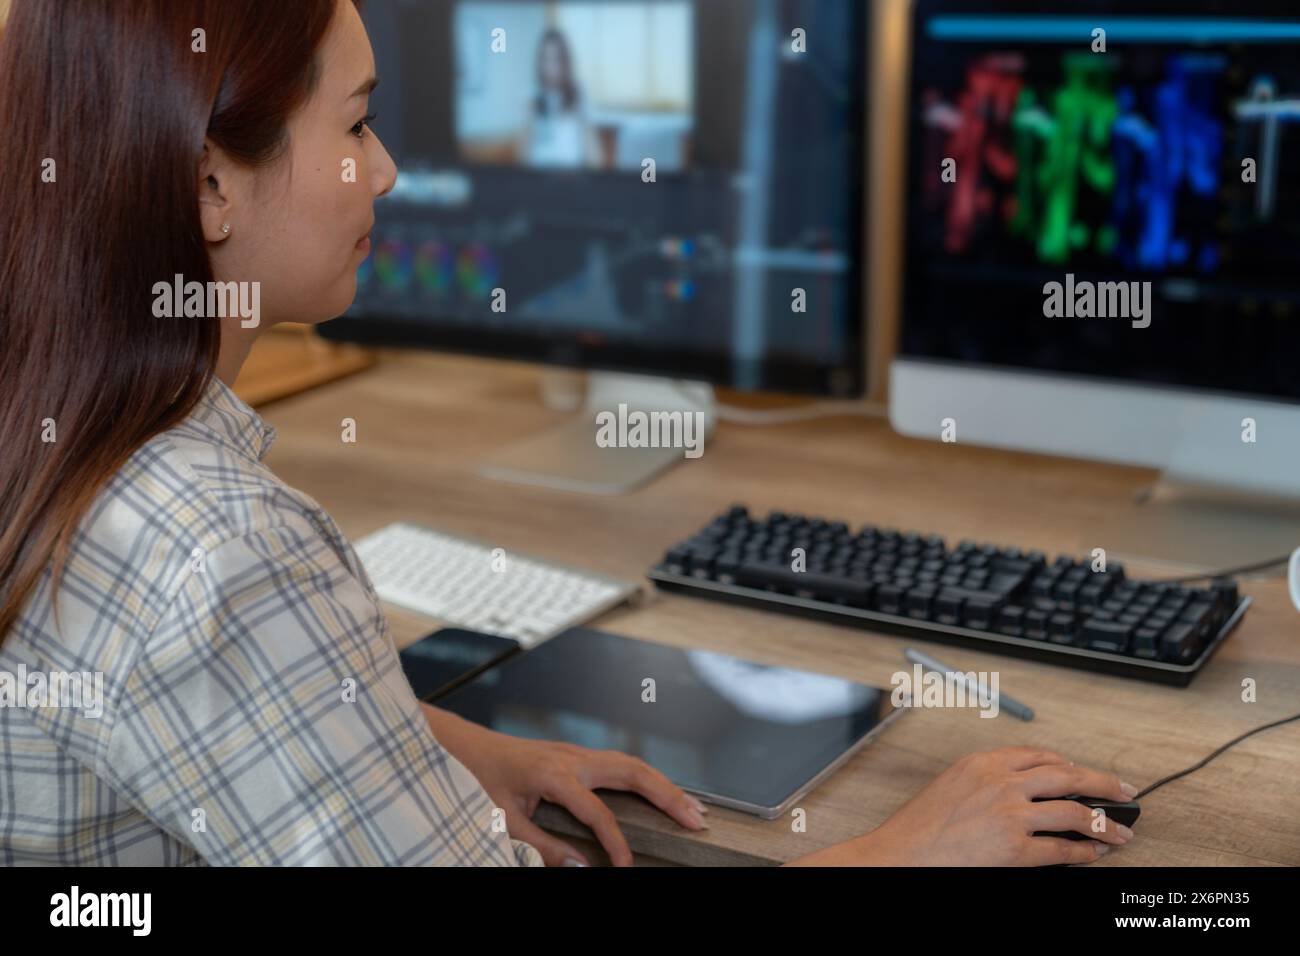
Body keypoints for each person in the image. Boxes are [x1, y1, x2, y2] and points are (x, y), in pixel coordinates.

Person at [0, 0, 1136, 866]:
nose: (388, 168)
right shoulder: (225, 546)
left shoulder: (61, 438)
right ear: (209, 185)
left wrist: (411, 737)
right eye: (355, 125)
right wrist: (902, 848)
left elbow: (200, 712)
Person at [518, 28, 602, 169]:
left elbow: (594, 153)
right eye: (545, 59)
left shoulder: (578, 94)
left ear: (565, 62)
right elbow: (523, 156)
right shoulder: (532, 97)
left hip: (571, 179)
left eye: (556, 59)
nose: (550, 67)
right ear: (539, 62)